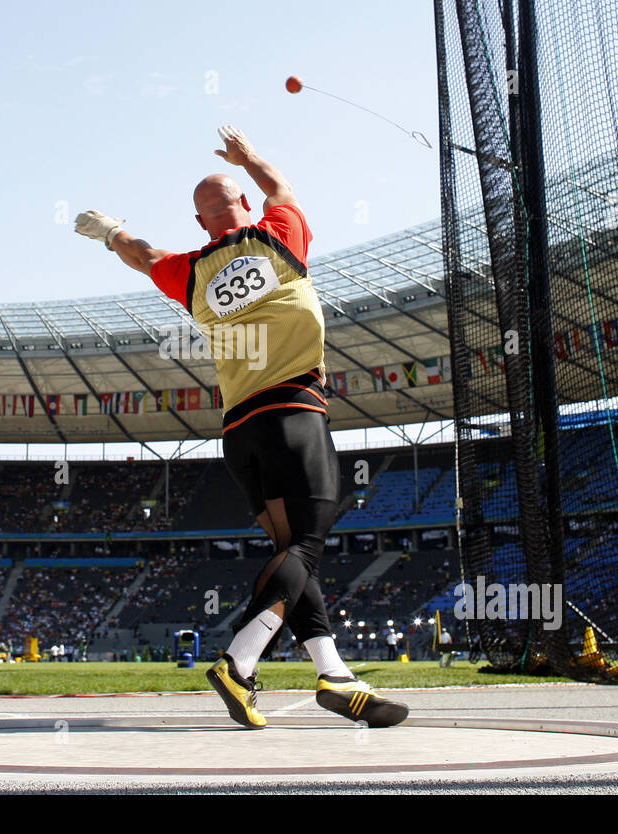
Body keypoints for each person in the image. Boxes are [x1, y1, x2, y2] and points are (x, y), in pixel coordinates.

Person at [74, 125, 408, 729]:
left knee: (292, 554)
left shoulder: (191, 271)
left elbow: (142, 254)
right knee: (305, 546)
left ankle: (334, 676)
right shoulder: (280, 234)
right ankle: (238, 660)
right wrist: (247, 156)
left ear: (202, 225)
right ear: (244, 206)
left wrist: (108, 232)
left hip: (241, 431)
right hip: (293, 411)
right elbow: (281, 185)